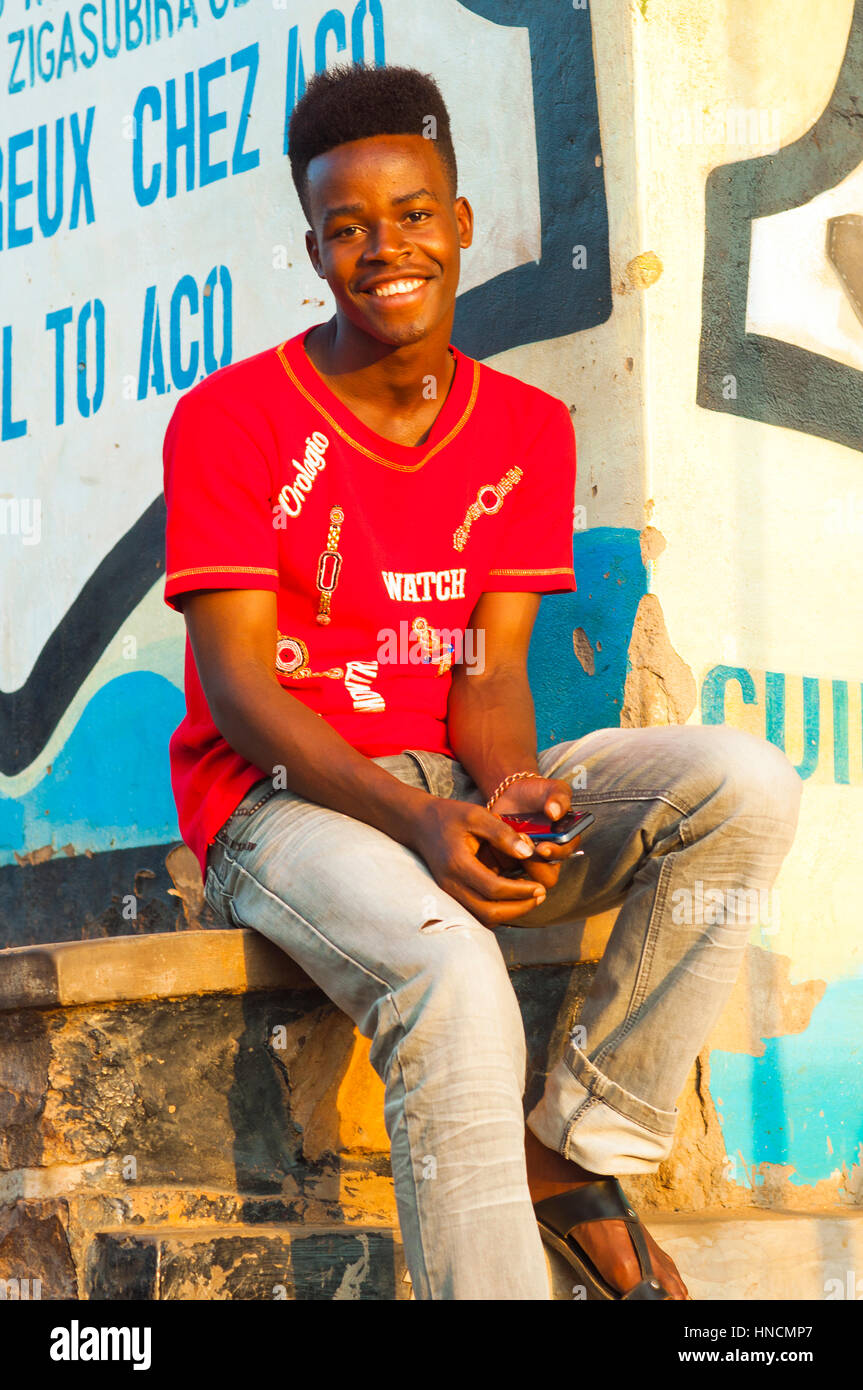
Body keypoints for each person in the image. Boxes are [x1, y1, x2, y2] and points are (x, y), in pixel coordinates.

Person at [161, 62, 802, 1301]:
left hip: (450, 773)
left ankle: (577, 1148)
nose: (382, 249)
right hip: (284, 803)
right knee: (448, 976)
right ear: (312, 249)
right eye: (346, 228)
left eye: (411, 214)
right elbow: (240, 689)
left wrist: (509, 790)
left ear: (460, 224)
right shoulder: (232, 421)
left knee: (742, 782)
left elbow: (487, 671)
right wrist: (414, 818)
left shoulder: (523, 430)